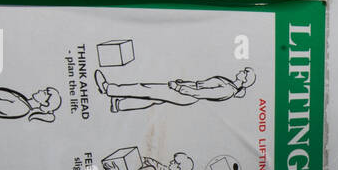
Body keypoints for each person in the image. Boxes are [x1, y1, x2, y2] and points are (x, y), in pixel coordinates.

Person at [94, 67, 254, 112]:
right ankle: (119, 105)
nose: (242, 71)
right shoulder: (228, 85)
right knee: (154, 100)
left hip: (185, 95)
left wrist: (178, 87)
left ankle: (109, 89)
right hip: (186, 91)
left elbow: (200, 93)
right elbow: (200, 84)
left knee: (146, 90)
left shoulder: (228, 90)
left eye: (245, 72)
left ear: (244, 80)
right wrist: (183, 82)